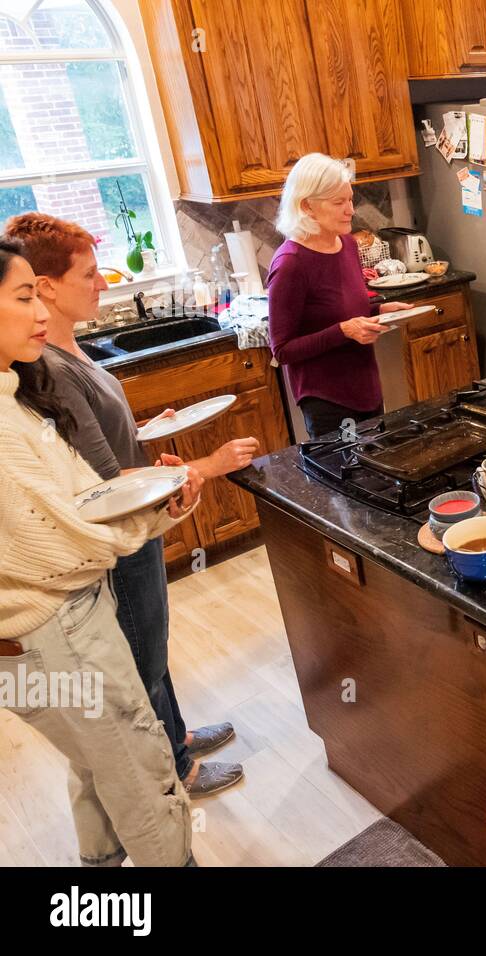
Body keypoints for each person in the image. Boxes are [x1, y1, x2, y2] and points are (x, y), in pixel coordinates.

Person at [6, 212, 252, 797]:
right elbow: (104, 480)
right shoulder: (53, 369)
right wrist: (207, 467)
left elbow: (96, 441)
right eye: (89, 274)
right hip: (121, 537)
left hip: (135, 526)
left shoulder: (68, 351)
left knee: (154, 644)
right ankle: (175, 770)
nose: (103, 283)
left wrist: (144, 426)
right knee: (142, 654)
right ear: (47, 289)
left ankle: (176, 736)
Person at [0, 238, 203, 865]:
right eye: (23, 296)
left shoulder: (14, 396)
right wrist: (160, 504)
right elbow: (73, 538)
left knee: (97, 765)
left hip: (29, 642)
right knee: (143, 775)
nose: (40, 314)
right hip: (56, 636)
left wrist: (153, 500)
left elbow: (84, 496)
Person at [268, 153, 413, 439]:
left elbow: (344, 310)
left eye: (350, 199)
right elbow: (282, 350)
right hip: (327, 401)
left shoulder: (346, 244)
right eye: (338, 202)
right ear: (307, 206)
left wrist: (379, 313)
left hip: (367, 387)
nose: (350, 210)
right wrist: (343, 331)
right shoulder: (290, 264)